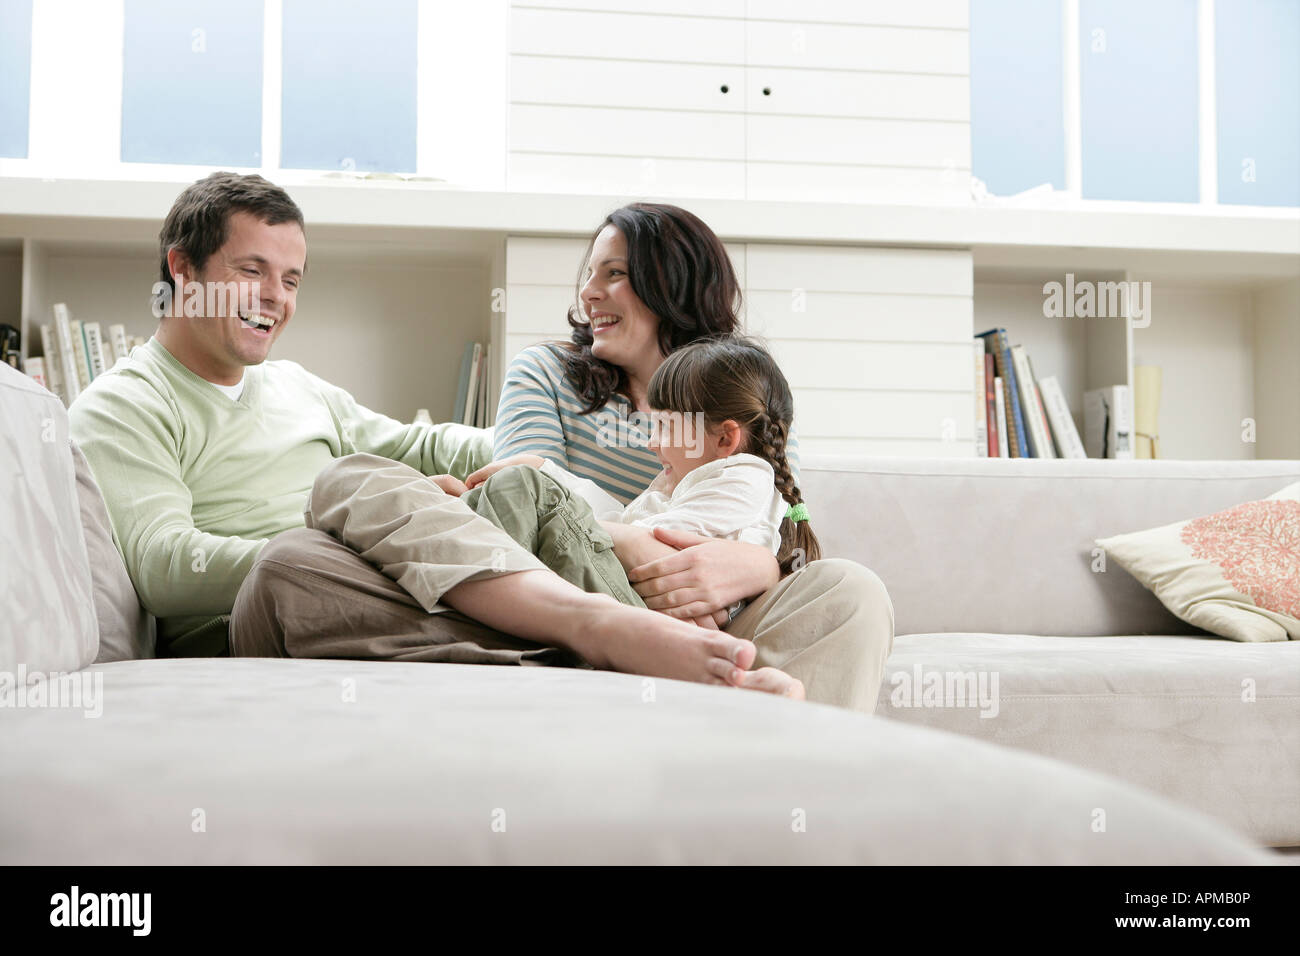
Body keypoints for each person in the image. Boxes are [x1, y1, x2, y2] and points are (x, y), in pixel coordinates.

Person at [70, 172, 766, 691]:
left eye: (291, 279)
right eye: (251, 271)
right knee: (304, 543)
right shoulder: (124, 404)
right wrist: (358, 532)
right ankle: (605, 634)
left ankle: (693, 672)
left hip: (415, 593)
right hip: (289, 603)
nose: (276, 299)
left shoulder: (296, 387)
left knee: (846, 590)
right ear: (182, 269)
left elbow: (435, 447)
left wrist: (541, 439)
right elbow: (165, 568)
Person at [490, 203, 895, 710]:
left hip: (723, 609)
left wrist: (756, 569)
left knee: (852, 590)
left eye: (615, 274)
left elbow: (775, 520)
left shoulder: (741, 389)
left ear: (674, 288)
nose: (590, 293)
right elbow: (522, 511)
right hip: (590, 598)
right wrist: (641, 551)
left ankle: (798, 774)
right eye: (590, 275)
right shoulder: (544, 373)